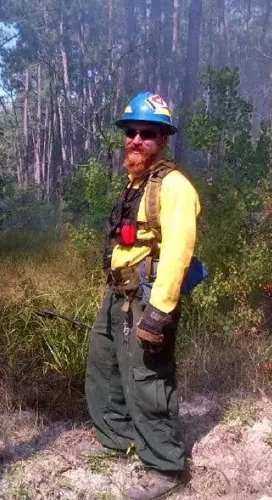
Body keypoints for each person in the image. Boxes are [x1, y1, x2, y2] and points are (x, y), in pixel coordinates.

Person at [84, 92, 201, 500]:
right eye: (131, 132)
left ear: (162, 139)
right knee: (106, 368)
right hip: (118, 294)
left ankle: (166, 467)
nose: (135, 140)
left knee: (149, 380)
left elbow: (178, 250)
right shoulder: (135, 185)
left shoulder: (174, 187)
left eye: (146, 133)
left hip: (148, 301)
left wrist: (159, 312)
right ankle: (120, 440)